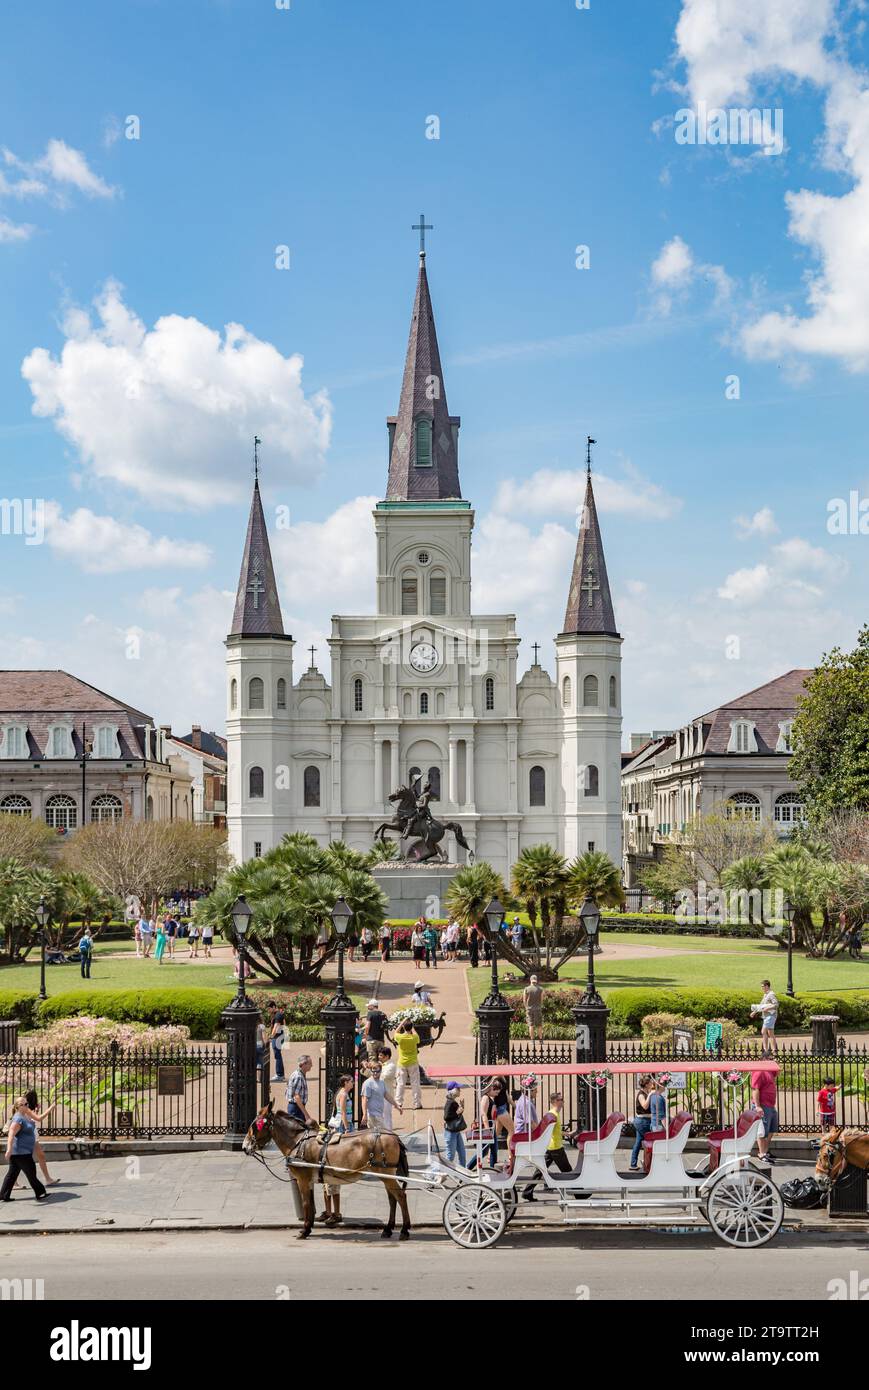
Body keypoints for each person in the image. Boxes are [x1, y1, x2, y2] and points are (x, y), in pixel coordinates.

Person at [1, 1098, 48, 1203]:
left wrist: (36, 1112)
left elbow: (34, 1122)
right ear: (18, 1107)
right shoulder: (18, 1119)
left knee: (12, 1174)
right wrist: (8, 1149)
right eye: (24, 1104)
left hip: (22, 1151)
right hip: (20, 1152)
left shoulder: (25, 1116)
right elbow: (11, 1134)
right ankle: (40, 1192)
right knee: (31, 1172)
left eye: (27, 1103)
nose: (27, 1105)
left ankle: (4, 1195)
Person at [19, 1091, 58, 1188]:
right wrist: (50, 1108)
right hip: (28, 1133)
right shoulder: (26, 1108)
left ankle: (48, 1179)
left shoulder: (28, 1108)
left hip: (31, 1132)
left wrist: (36, 1110)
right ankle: (47, 1179)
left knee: (40, 1155)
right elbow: (38, 1118)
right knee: (20, 1158)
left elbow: (31, 1118)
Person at [467, 1080, 500, 1170]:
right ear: (488, 1089)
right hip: (487, 1127)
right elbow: (483, 1114)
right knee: (485, 1151)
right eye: (494, 1088)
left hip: (490, 1126)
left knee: (491, 1150)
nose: (497, 1091)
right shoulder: (486, 1098)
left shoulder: (489, 1098)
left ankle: (493, 1169)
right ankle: (468, 1167)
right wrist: (487, 1129)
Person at [751, 1066, 779, 1165]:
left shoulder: (770, 1071)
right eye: (771, 1059)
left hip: (770, 1105)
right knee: (762, 1130)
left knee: (771, 1130)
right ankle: (762, 1154)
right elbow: (755, 1089)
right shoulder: (759, 1071)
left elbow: (777, 1071)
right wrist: (758, 1106)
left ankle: (765, 1151)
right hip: (763, 1105)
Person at [394, 1019, 422, 1109]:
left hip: (402, 1063)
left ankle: (398, 1102)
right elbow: (416, 1035)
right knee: (415, 1084)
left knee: (400, 1083)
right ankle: (417, 1103)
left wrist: (402, 1022)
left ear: (403, 1027)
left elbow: (396, 1031)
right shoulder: (414, 1038)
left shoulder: (400, 1037)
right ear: (411, 1028)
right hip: (413, 1062)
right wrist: (412, 1026)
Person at [629, 1074, 654, 1171]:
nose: (652, 1083)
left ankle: (633, 1164)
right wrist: (650, 1095)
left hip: (644, 1120)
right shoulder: (641, 1094)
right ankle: (647, 1162)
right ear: (647, 1084)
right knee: (650, 1141)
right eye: (651, 1082)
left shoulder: (645, 1093)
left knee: (639, 1142)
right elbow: (645, 1106)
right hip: (642, 1121)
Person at [544, 1092, 571, 1175]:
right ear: (555, 1101)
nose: (563, 1101)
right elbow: (552, 1131)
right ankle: (575, 1187)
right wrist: (567, 1134)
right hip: (556, 1147)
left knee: (541, 1171)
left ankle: (528, 1188)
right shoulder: (553, 1115)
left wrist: (567, 1133)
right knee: (567, 1171)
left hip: (551, 1146)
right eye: (561, 1100)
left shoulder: (552, 1113)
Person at [750, 980, 779, 1054]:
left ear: (767, 986)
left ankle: (766, 1051)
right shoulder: (765, 995)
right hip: (766, 1016)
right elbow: (761, 1006)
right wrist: (754, 1012)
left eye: (762, 986)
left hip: (771, 1016)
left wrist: (767, 1008)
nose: (762, 988)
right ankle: (774, 1052)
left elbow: (776, 1005)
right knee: (770, 1033)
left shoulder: (771, 994)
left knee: (763, 1031)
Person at [443, 1081, 467, 1165]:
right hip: (451, 1132)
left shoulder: (452, 1101)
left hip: (455, 1131)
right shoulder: (450, 1102)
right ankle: (433, 1173)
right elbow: (446, 1117)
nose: (460, 1090)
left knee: (462, 1154)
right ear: (452, 1090)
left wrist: (460, 1110)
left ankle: (463, 1174)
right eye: (458, 1088)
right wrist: (457, 1112)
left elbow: (453, 1115)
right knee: (450, 1157)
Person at [378, 1046, 401, 1130]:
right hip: (378, 1094)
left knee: (386, 1116)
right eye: (379, 1055)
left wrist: (376, 1069)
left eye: (381, 1055)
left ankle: (389, 1134)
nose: (379, 1057)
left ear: (387, 1056)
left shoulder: (391, 1066)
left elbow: (383, 1077)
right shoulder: (380, 1065)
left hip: (387, 1095)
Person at [287, 1055, 314, 1125]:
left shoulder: (299, 1074)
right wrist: (306, 1114)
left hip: (297, 1107)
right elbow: (296, 1097)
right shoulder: (298, 1077)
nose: (312, 1065)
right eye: (310, 1063)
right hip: (296, 1108)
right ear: (304, 1064)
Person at [361, 1063, 387, 1131]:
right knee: (382, 1135)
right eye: (373, 1071)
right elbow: (364, 1099)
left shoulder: (381, 1082)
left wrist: (396, 1105)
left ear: (381, 1071)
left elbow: (386, 1094)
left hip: (379, 1114)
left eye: (377, 1071)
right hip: (372, 1116)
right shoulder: (368, 1083)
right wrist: (364, 1114)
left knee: (379, 1137)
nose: (375, 1073)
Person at [523, 974, 543, 1042]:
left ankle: (532, 1040)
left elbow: (524, 1000)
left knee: (531, 1025)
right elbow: (541, 1000)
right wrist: (539, 1006)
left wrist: (526, 1007)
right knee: (539, 1025)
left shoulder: (526, 989)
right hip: (538, 1009)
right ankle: (540, 1040)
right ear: (536, 980)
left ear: (530, 980)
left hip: (529, 1009)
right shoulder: (540, 989)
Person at [269, 1005, 286, 1082]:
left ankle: (279, 1075)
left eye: (269, 1008)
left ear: (274, 1007)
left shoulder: (278, 1015)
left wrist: (271, 1037)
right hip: (279, 1037)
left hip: (277, 1038)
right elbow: (284, 1024)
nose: (269, 1010)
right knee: (278, 1056)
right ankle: (280, 1074)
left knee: (277, 1056)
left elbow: (276, 1026)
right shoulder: (278, 1014)